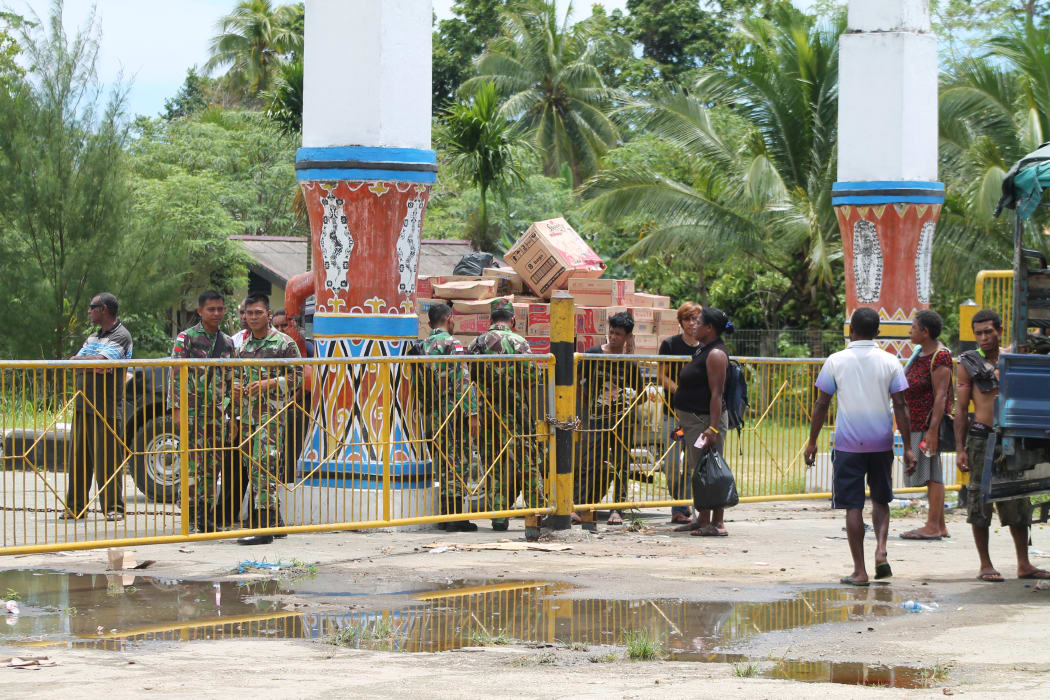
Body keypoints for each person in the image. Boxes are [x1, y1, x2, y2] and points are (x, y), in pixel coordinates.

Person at [804, 307, 915, 586]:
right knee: (881, 499)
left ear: (851, 331)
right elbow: (901, 405)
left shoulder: (835, 361)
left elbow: (821, 404)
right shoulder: (891, 362)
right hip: (881, 443)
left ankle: (860, 571)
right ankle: (881, 550)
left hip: (848, 445)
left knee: (852, 506)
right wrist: (909, 446)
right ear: (878, 332)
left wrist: (813, 440)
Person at [955, 309, 1049, 582]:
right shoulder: (969, 362)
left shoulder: (1015, 357)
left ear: (999, 329)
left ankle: (1024, 564)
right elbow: (961, 409)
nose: (983, 338)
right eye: (979, 333)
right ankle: (985, 564)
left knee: (1017, 499)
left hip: (1012, 436)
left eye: (988, 332)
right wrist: (960, 447)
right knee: (979, 501)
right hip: (981, 437)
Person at [468, 298, 544, 533]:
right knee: (528, 462)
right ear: (512, 320)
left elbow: (469, 378)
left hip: (487, 414)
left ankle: (499, 517)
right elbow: (533, 378)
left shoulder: (476, 344)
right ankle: (534, 513)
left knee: (493, 464)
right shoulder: (519, 342)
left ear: (490, 320)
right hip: (517, 413)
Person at [233, 293, 302, 545]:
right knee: (256, 469)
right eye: (249, 313)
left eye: (258, 313)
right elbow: (235, 378)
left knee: (265, 466)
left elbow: (298, 378)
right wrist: (237, 390)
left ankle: (262, 529)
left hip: (272, 415)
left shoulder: (284, 343)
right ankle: (275, 522)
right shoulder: (241, 347)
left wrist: (268, 383)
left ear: (268, 315)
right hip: (249, 416)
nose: (253, 318)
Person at [62, 293, 134, 522]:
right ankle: (75, 507)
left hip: (107, 408)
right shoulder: (93, 337)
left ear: (103, 309)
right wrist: (88, 364)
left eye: (92, 307)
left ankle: (113, 507)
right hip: (84, 405)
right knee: (78, 460)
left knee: (108, 461)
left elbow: (103, 364)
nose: (89, 311)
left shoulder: (122, 336)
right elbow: (76, 362)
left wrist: (89, 363)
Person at [169, 290, 236, 533]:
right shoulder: (186, 339)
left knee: (213, 465)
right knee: (191, 464)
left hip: (216, 414)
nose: (216, 313)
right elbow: (175, 377)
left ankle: (206, 514)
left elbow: (232, 381)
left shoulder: (228, 343)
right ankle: (189, 513)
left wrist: (233, 416)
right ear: (200, 311)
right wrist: (177, 409)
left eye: (220, 309)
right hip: (192, 412)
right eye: (211, 309)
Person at [576, 312, 643, 527]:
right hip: (596, 419)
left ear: (628, 337)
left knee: (622, 465)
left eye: (619, 334)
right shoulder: (594, 353)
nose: (613, 337)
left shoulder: (629, 362)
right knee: (590, 463)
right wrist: (586, 401)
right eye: (611, 332)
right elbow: (577, 379)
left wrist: (625, 402)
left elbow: (640, 393)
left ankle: (618, 509)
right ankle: (582, 507)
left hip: (622, 422)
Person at [418, 302, 479, 532]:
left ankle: (446, 514)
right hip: (454, 410)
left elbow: (418, 383)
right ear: (449, 318)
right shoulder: (452, 344)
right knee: (458, 461)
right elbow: (463, 380)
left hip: (434, 413)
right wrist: (472, 413)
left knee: (443, 462)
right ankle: (456, 517)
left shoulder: (423, 345)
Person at [674, 307, 733, 537]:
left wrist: (713, 428)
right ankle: (702, 519)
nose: (693, 326)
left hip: (706, 422)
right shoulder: (702, 350)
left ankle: (717, 524)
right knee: (701, 470)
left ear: (709, 328)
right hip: (695, 421)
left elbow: (717, 394)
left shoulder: (716, 354)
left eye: (698, 323)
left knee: (711, 470)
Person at [899, 310, 952, 541]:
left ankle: (932, 526)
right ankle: (939, 525)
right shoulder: (919, 353)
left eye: (913, 327)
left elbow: (941, 396)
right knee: (931, 471)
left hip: (927, 424)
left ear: (925, 332)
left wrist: (932, 430)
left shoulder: (940, 357)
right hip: (916, 423)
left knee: (932, 474)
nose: (910, 331)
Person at [658, 302, 703, 526]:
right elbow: (662, 376)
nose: (692, 323)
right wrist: (681, 391)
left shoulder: (705, 346)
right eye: (688, 319)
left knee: (694, 463)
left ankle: (683, 508)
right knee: (673, 464)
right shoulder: (669, 344)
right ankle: (679, 503)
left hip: (697, 416)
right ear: (681, 322)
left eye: (696, 319)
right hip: (673, 414)